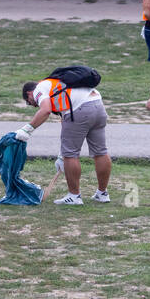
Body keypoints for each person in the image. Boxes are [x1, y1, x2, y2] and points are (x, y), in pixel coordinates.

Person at [18, 76, 112, 205]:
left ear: (29, 93)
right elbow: (64, 121)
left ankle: (74, 197)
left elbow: (45, 110)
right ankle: (102, 194)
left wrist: (27, 129)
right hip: (98, 105)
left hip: (80, 109)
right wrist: (61, 154)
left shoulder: (38, 89)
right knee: (100, 152)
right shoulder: (57, 86)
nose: (33, 105)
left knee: (71, 155)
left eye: (29, 102)